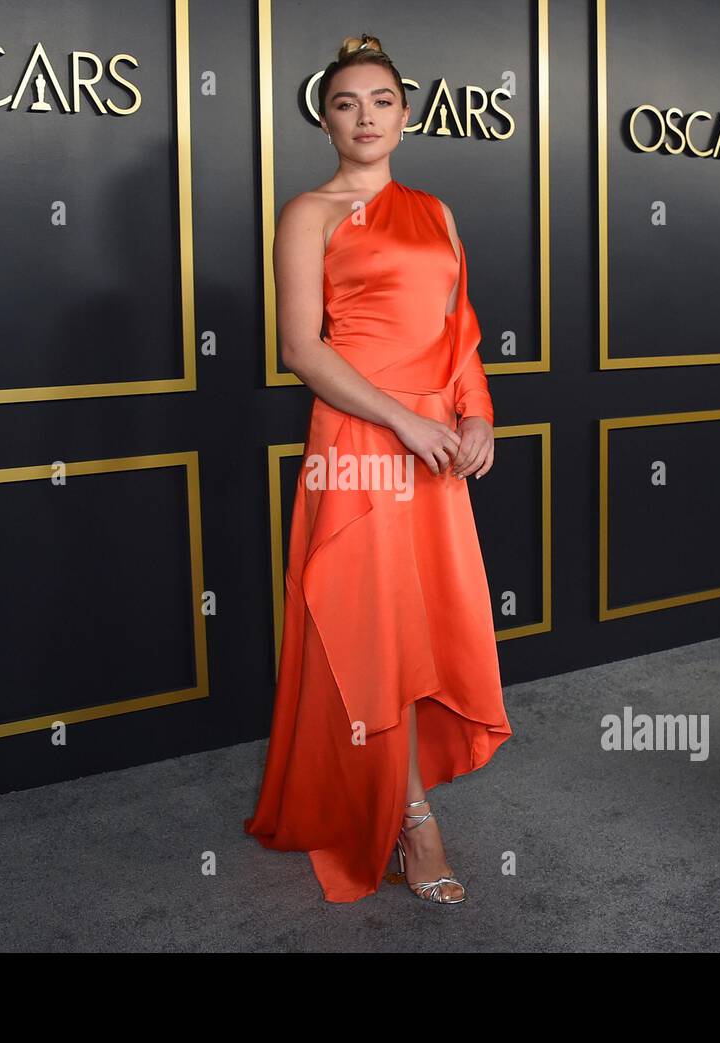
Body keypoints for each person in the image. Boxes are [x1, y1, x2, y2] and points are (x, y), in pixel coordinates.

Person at [243, 34, 512, 904]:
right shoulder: (308, 213)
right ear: (325, 119)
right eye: (347, 103)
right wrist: (402, 419)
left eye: (381, 101)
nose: (365, 117)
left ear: (407, 114)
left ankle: (397, 799)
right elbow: (300, 349)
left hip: (436, 441)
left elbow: (457, 326)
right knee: (375, 627)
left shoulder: (435, 211)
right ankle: (411, 818)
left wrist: (476, 415)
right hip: (360, 441)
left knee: (426, 619)